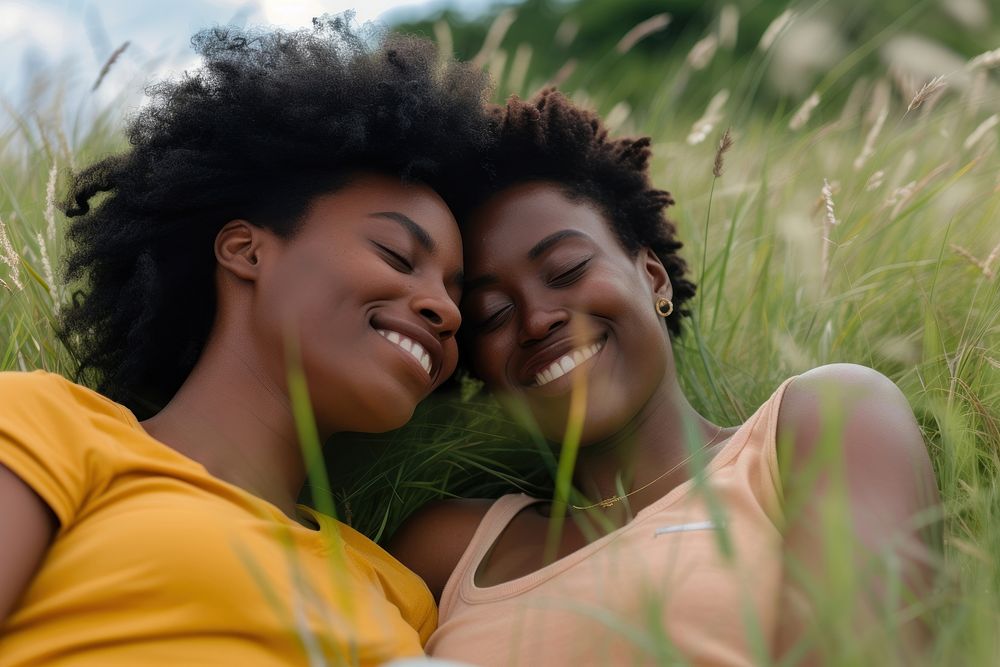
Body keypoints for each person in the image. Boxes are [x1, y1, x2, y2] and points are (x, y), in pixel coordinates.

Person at [0, 18, 492, 666]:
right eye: (398, 256)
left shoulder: (397, 589)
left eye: (458, 293)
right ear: (245, 250)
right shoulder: (51, 424)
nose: (445, 310)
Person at [389, 89, 940, 665]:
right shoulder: (449, 549)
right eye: (491, 316)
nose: (537, 319)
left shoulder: (823, 419)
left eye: (567, 270)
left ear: (654, 278)